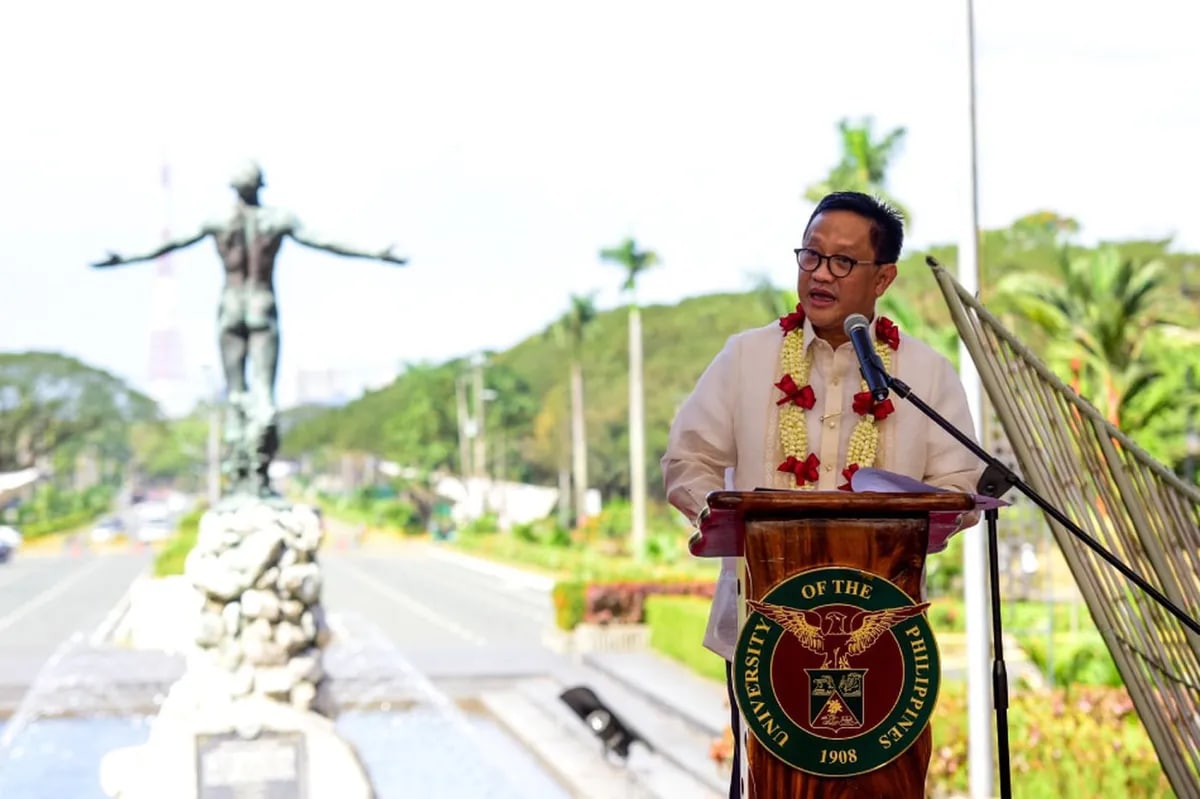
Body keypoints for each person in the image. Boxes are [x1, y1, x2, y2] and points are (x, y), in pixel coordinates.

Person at [660, 191, 982, 797]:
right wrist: (724, 517)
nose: (819, 274)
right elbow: (687, 460)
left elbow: (960, 485)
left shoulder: (925, 374)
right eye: (810, 256)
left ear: (883, 276)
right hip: (765, 632)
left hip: (883, 642)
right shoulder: (745, 359)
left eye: (842, 262)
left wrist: (916, 517)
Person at [92, 161, 407, 494]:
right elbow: (325, 241)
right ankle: (255, 472)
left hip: (230, 310)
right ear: (261, 186)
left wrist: (125, 258)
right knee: (262, 398)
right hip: (260, 308)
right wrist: (377, 253)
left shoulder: (218, 222)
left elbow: (170, 245)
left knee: (238, 396)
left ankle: (245, 471)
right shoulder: (277, 220)